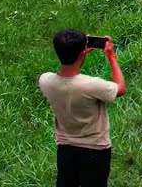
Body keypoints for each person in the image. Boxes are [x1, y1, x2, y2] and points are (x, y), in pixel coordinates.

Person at [39, 28, 126, 187]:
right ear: (81, 53)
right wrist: (111, 57)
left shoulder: (45, 81)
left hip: (65, 149)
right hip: (95, 150)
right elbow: (120, 88)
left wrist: (79, 53)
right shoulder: (91, 85)